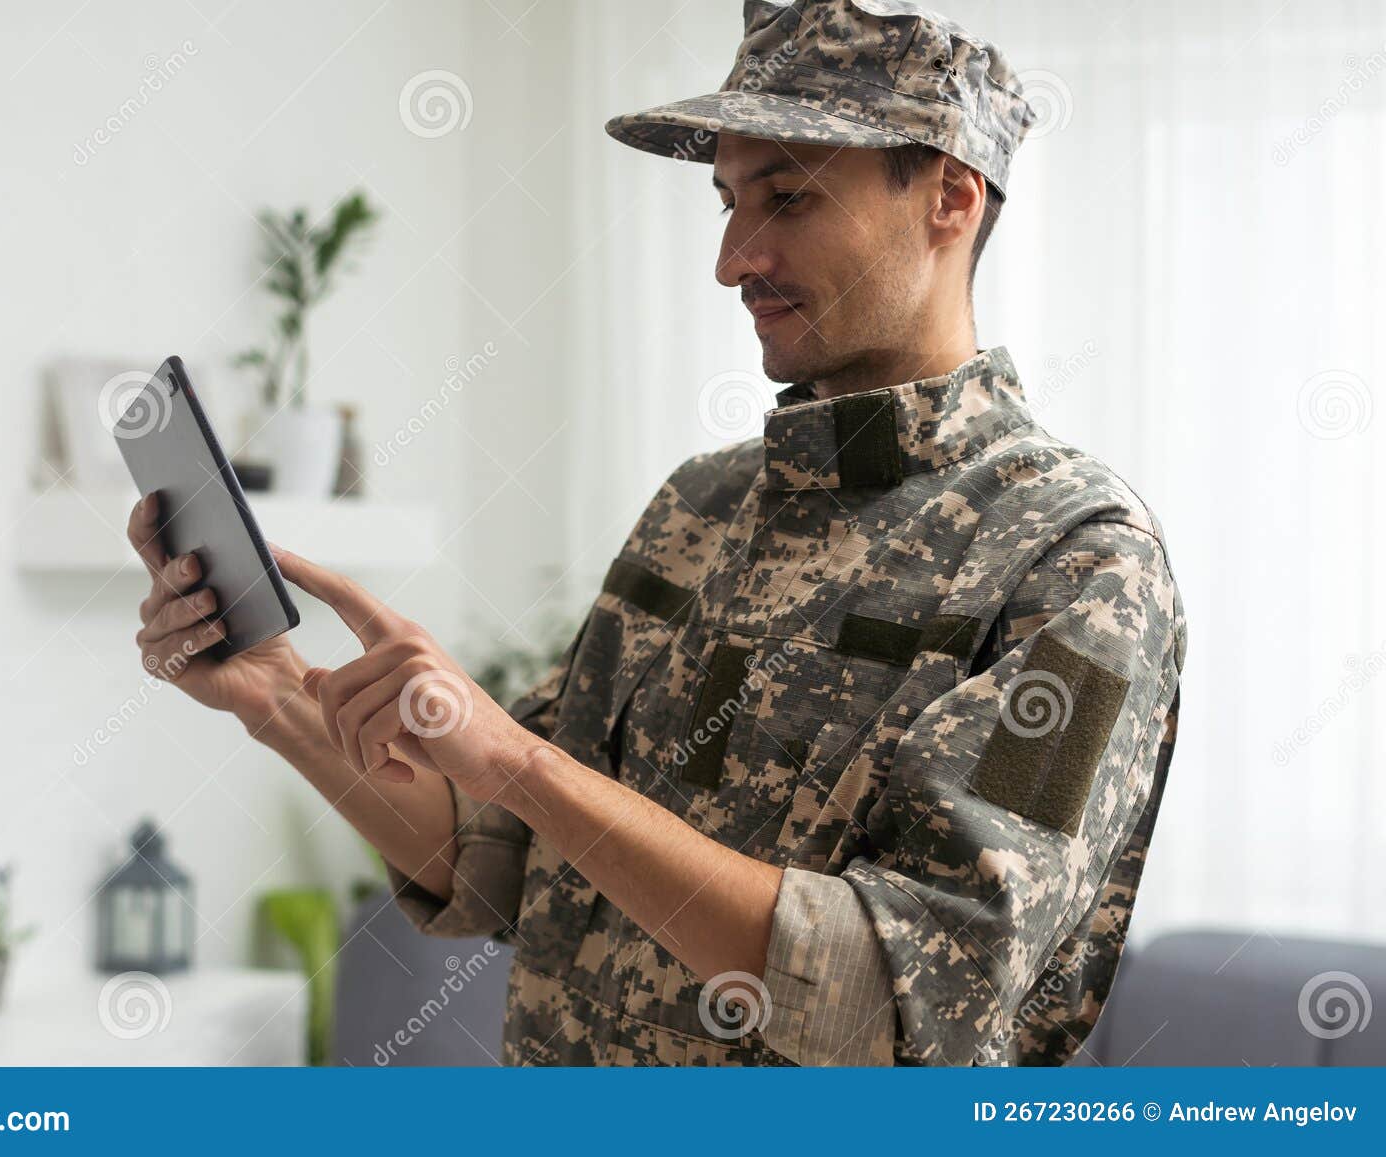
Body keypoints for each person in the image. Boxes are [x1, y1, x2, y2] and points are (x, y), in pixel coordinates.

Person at [126, 0, 1186, 1066]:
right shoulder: (699, 508)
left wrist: (522, 762)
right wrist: (275, 695)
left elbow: (909, 999)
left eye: (787, 198)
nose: (734, 258)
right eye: (727, 200)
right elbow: (504, 858)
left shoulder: (1084, 558)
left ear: (949, 197)